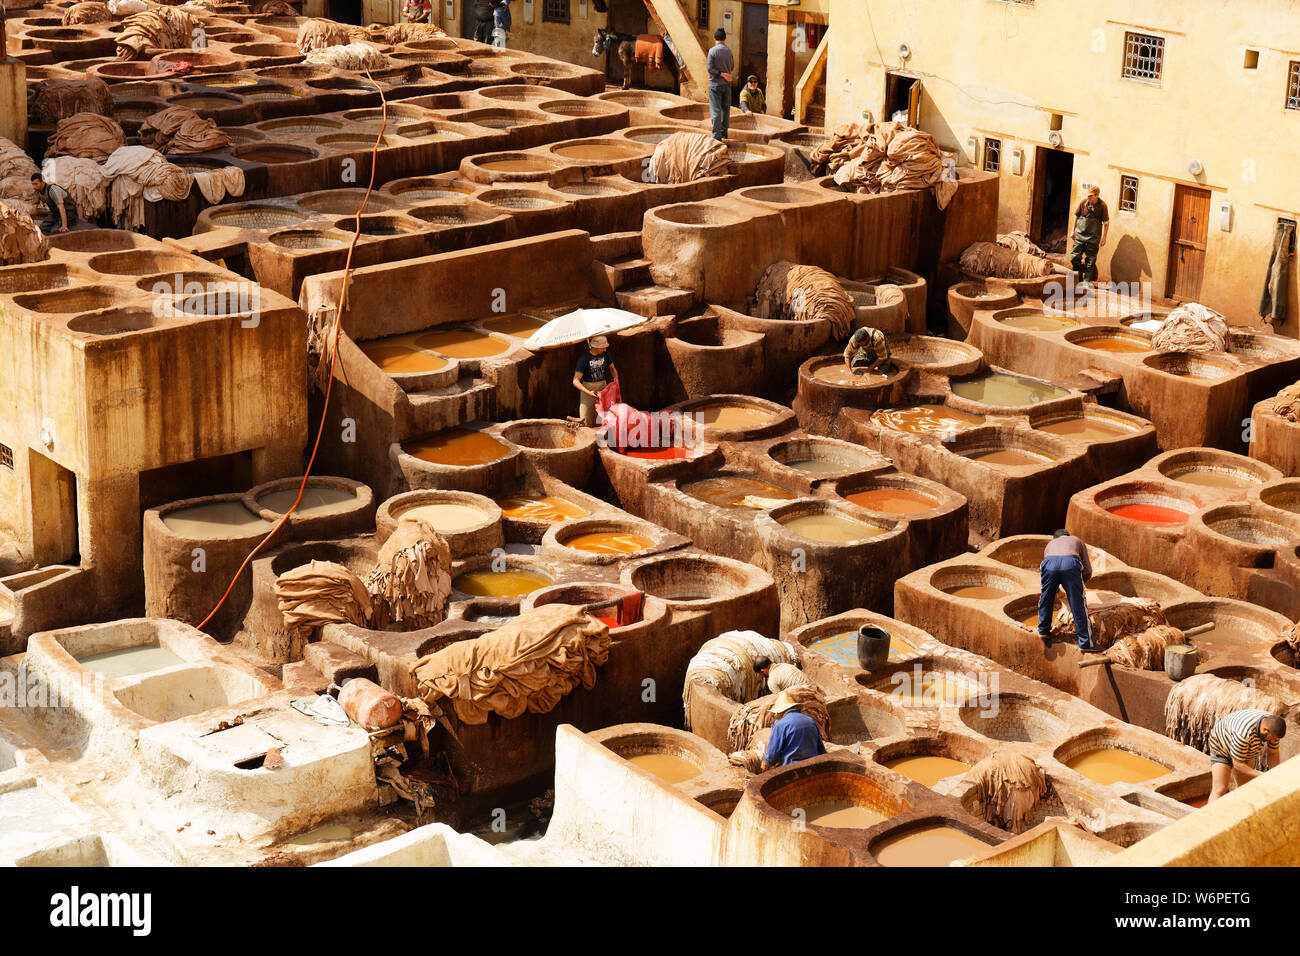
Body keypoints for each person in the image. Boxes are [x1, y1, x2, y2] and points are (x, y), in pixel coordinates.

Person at [1207, 709, 1286, 802]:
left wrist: (1275, 774)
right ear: (1265, 730)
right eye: (1272, 738)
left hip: (1245, 750)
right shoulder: (1243, 734)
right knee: (1220, 789)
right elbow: (1238, 764)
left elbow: (1273, 753)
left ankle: (1239, 812)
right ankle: (1208, 816)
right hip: (1221, 746)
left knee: (1245, 788)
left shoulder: (1274, 727)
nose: (1273, 741)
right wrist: (1261, 775)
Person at [1038, 529, 1095, 652]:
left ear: (1055, 538)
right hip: (1070, 563)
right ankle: (1085, 643)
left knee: (1046, 598)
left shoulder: (1050, 545)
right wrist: (1078, 588)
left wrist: (1056, 590)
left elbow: (1047, 575)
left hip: (1049, 563)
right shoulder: (1077, 541)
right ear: (1067, 536)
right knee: (1078, 604)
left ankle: (1043, 630)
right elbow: (1088, 571)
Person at [761, 691, 826, 769]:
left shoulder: (780, 725)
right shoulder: (811, 721)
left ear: (781, 711)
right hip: (813, 767)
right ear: (794, 707)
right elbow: (821, 750)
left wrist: (765, 764)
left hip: (791, 769)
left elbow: (772, 756)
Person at [1068, 185, 1109, 290]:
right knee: (1074, 257)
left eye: (1091, 196)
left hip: (1093, 237)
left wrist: (1104, 237)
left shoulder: (1102, 206)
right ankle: (1078, 277)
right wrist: (1072, 230)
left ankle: (1086, 281)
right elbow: (1076, 216)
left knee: (1090, 261)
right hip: (1080, 234)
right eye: (1088, 195)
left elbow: (1106, 223)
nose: (1088, 197)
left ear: (1096, 195)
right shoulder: (1083, 203)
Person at [570, 335, 617, 426]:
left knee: (604, 418)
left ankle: (603, 439)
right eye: (603, 347)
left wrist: (616, 379)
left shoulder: (606, 354)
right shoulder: (583, 359)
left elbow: (612, 368)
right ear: (596, 347)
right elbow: (575, 381)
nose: (605, 350)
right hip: (588, 390)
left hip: (603, 388)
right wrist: (589, 392)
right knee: (586, 420)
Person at [706, 28, 734, 141]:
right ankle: (724, 133)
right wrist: (725, 73)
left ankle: (716, 136)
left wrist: (720, 74)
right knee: (725, 109)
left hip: (715, 84)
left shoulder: (712, 51)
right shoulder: (729, 51)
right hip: (727, 85)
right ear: (725, 39)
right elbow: (732, 67)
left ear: (715, 38)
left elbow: (709, 68)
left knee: (715, 110)